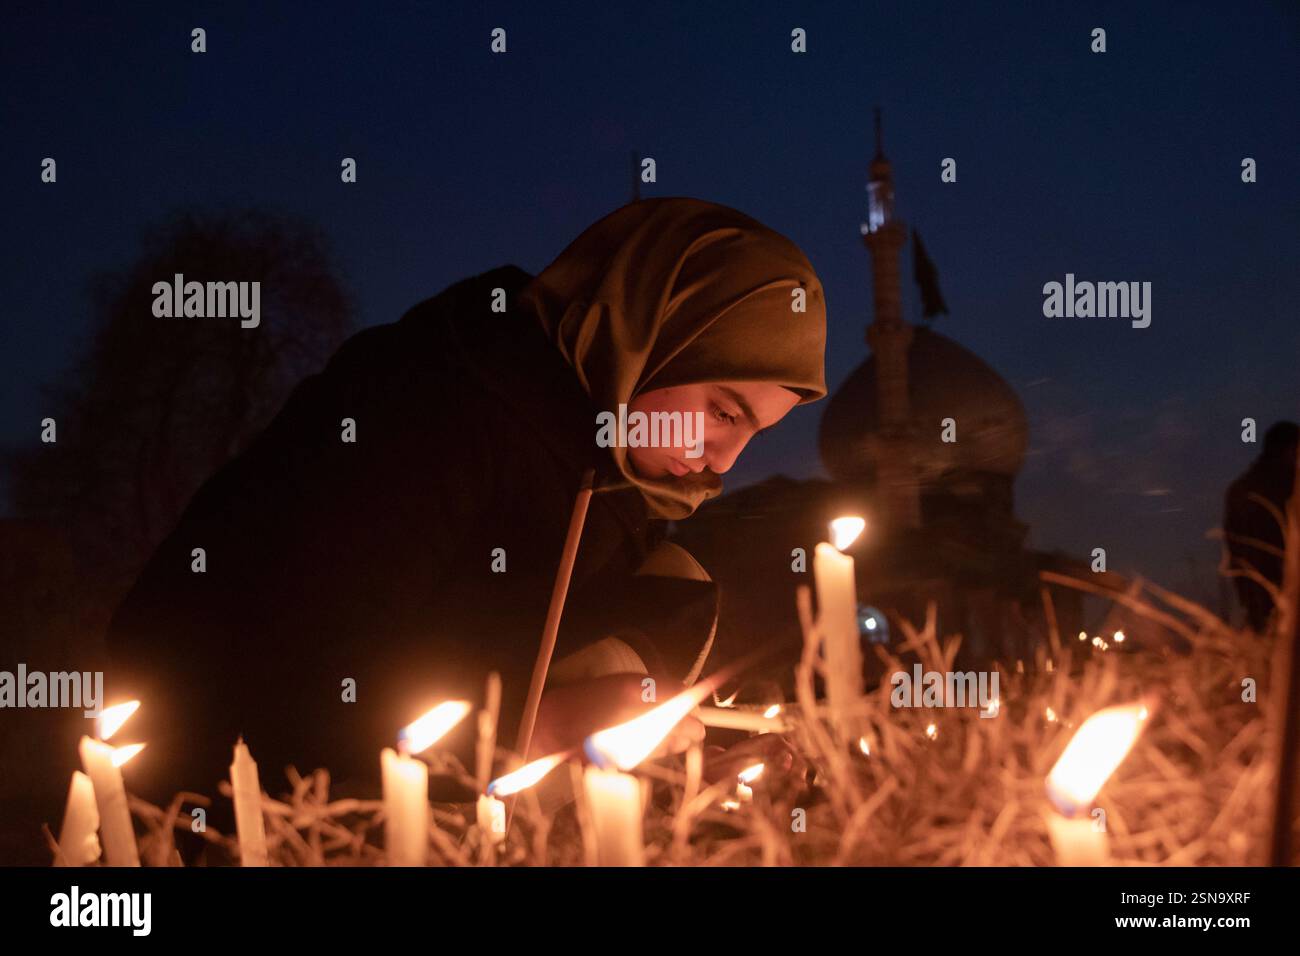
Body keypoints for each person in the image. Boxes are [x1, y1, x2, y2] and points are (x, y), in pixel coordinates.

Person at [105, 197, 827, 803]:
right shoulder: (427, 403)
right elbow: (297, 678)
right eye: (724, 412)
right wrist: (535, 728)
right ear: (648, 327)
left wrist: (670, 768)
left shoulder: (612, 470)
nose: (723, 462)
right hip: (220, 806)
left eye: (754, 435)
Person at [1223, 420, 1299, 631]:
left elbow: (1234, 547)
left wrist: (1246, 594)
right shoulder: (1290, 487)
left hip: (1254, 595)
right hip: (1286, 593)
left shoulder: (1238, 490)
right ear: (1290, 450)